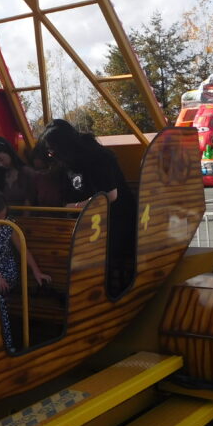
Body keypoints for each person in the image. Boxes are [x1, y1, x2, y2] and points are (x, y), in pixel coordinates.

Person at [39, 119, 136, 296]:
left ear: (64, 146)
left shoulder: (99, 157)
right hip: (88, 221)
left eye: (52, 150)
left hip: (116, 220)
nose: (51, 155)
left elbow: (111, 195)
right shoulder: (68, 164)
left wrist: (76, 206)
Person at [0, 189, 51, 351]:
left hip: (6, 273)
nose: (2, 221)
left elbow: (23, 250)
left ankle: (7, 346)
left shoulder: (8, 226)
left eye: (3, 216)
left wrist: (36, 271)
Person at [0, 136, 35, 206]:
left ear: (8, 152)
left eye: (0, 159)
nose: (0, 164)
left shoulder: (27, 172)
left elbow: (31, 200)